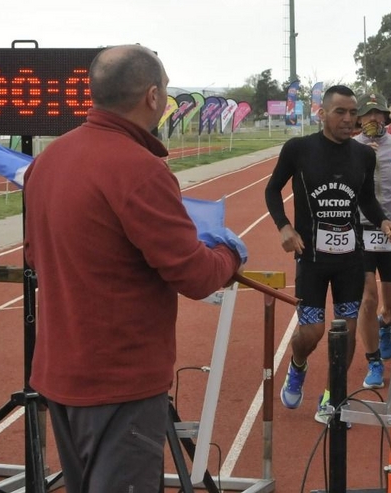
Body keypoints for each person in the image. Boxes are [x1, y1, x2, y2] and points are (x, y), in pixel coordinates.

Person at [25, 45, 245, 493]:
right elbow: (195, 276)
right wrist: (230, 255)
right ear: (152, 96)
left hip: (61, 374)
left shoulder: (46, 161)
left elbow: (33, 256)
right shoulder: (140, 169)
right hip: (120, 382)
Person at [266, 85, 391, 420]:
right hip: (312, 257)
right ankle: (298, 364)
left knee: (346, 331)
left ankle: (332, 396)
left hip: (350, 257)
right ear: (322, 113)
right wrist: (284, 227)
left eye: (353, 113)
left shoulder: (363, 155)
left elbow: (366, 199)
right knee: (312, 332)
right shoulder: (299, 149)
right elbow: (272, 190)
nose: (348, 119)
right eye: (340, 112)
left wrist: (383, 220)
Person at [354, 93, 391, 389]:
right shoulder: (351, 148)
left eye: (378, 114)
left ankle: (385, 324)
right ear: (359, 119)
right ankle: (373, 360)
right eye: (368, 114)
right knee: (367, 298)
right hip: (361, 230)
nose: (374, 119)